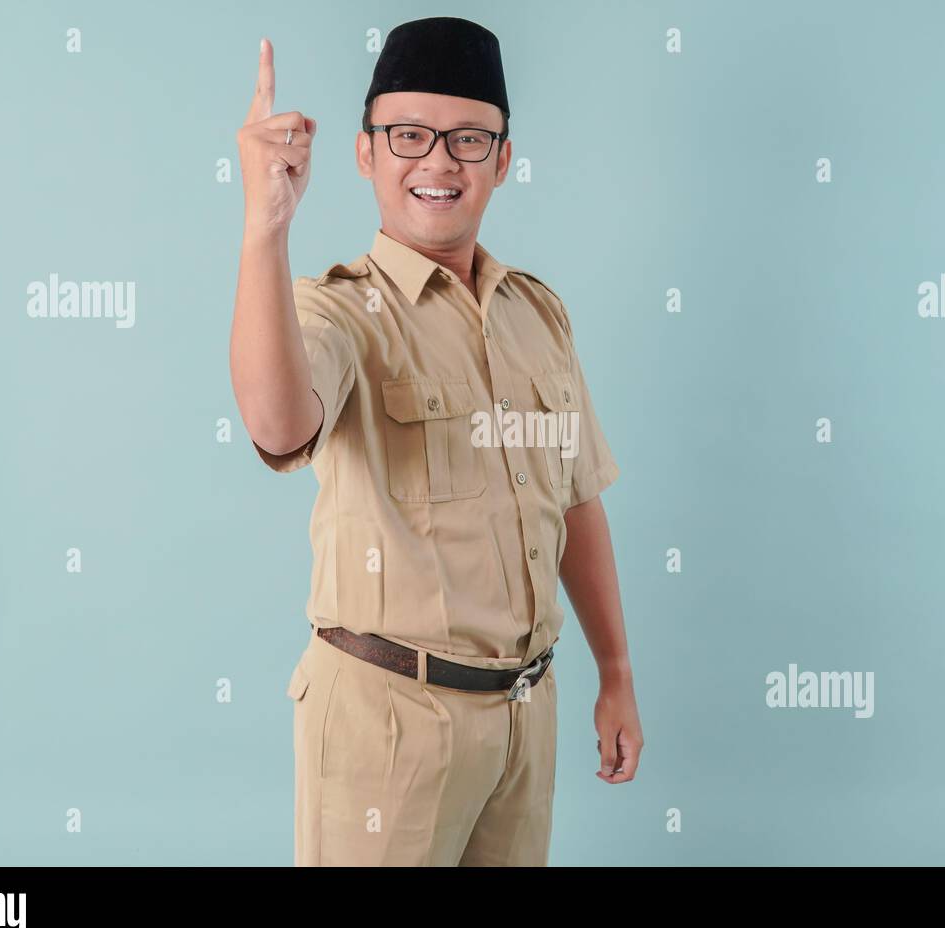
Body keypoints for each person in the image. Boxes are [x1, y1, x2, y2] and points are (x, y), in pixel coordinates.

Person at [229, 16, 642, 866]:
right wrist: (266, 228)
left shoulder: (538, 314)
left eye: (467, 138)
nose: (439, 162)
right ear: (365, 152)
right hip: (390, 725)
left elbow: (576, 499)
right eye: (410, 134)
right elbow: (278, 422)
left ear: (503, 158)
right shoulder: (338, 309)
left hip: (524, 720)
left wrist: (617, 674)